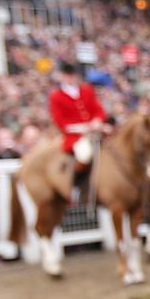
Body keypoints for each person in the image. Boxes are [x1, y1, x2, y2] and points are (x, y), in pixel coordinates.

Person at [48, 60, 107, 205]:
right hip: (75, 136)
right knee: (85, 154)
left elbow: (98, 110)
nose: (71, 78)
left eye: (73, 75)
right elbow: (61, 123)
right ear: (62, 76)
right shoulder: (56, 96)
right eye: (68, 75)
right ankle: (76, 187)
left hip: (96, 131)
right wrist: (85, 127)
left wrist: (98, 121)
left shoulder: (87, 90)